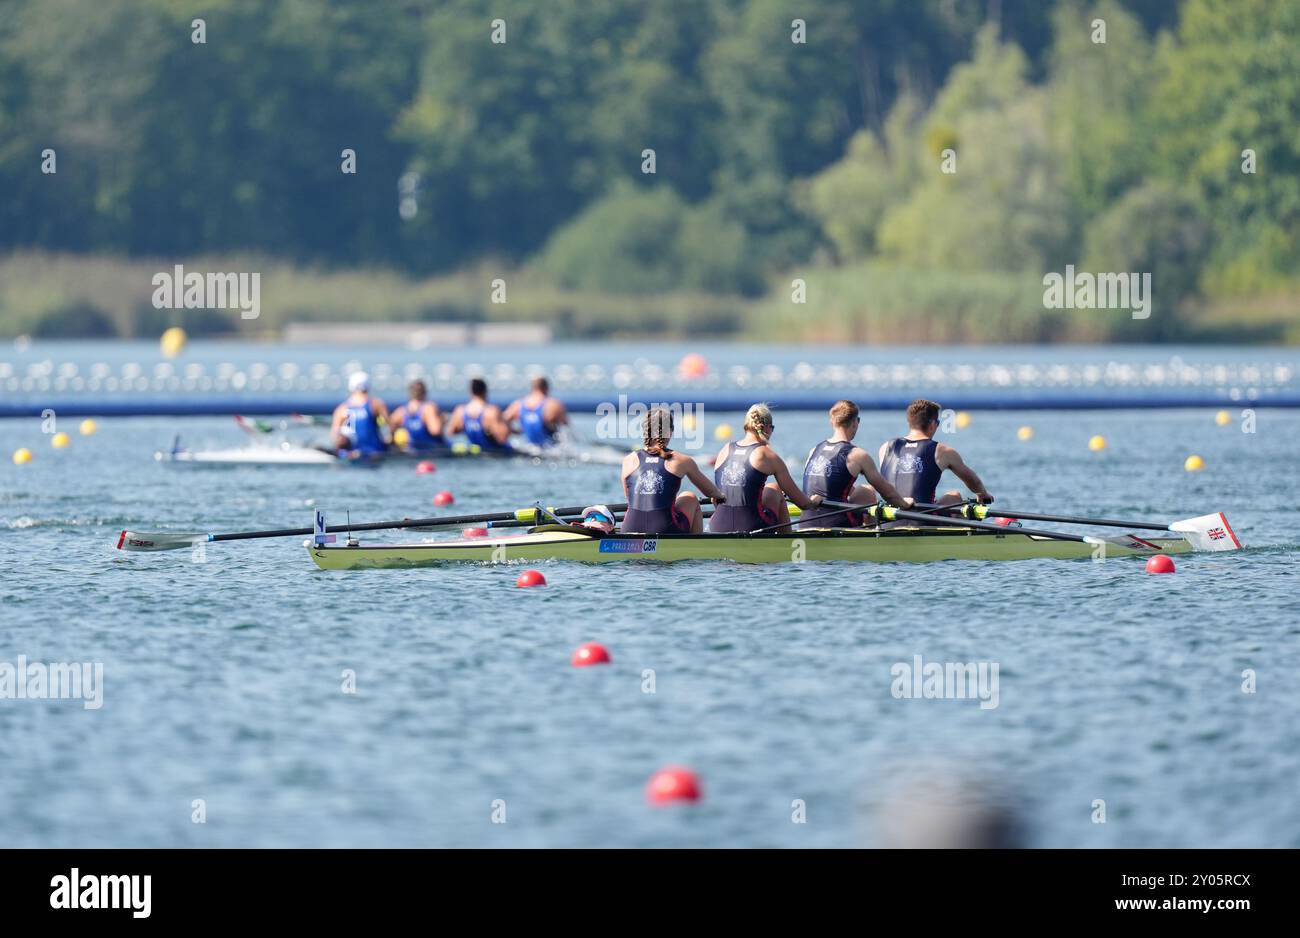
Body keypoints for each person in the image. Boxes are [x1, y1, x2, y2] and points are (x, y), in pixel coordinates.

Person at [800, 400, 914, 528]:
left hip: (805, 523)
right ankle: (871, 539)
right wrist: (904, 504)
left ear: (832, 422)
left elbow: (830, 485)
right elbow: (887, 493)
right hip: (836, 525)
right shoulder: (857, 455)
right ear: (855, 422)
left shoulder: (814, 450)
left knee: (858, 491)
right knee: (867, 491)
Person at [708, 403, 820, 533]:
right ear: (767, 428)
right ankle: (787, 546)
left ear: (746, 426)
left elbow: (714, 499)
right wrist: (814, 501)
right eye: (772, 428)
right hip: (751, 526)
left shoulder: (724, 450)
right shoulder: (766, 454)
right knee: (775, 489)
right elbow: (803, 504)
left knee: (767, 491)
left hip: (717, 526)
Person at [621, 408, 724, 534]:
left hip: (629, 528)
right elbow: (711, 492)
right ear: (669, 432)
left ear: (645, 431)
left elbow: (629, 497)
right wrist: (722, 497)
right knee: (689, 497)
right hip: (664, 528)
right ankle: (696, 548)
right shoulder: (681, 460)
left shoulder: (628, 460)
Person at [879, 399, 994, 507]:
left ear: (909, 422)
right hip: (922, 523)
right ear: (933, 424)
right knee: (954, 496)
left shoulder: (885, 447)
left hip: (887, 522)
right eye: (938, 423)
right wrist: (982, 494)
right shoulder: (942, 451)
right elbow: (973, 481)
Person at [330, 371, 390, 455]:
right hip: (375, 453)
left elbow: (335, 436)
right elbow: (388, 429)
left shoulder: (341, 409)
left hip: (350, 455)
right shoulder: (377, 405)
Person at [447, 378, 512, 452]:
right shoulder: (491, 412)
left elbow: (450, 433)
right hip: (492, 454)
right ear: (485, 392)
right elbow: (502, 438)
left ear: (471, 392)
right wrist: (508, 426)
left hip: (472, 453)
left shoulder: (460, 411)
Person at [503, 377, 568, 448]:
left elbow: (502, 422)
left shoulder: (517, 405)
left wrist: (517, 431)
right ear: (546, 389)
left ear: (532, 388)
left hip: (528, 449)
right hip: (549, 450)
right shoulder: (553, 405)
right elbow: (567, 429)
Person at [389, 379, 447, 450]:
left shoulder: (400, 411)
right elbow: (435, 431)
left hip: (413, 452)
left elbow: (390, 428)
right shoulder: (428, 408)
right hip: (432, 452)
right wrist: (442, 421)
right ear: (424, 393)